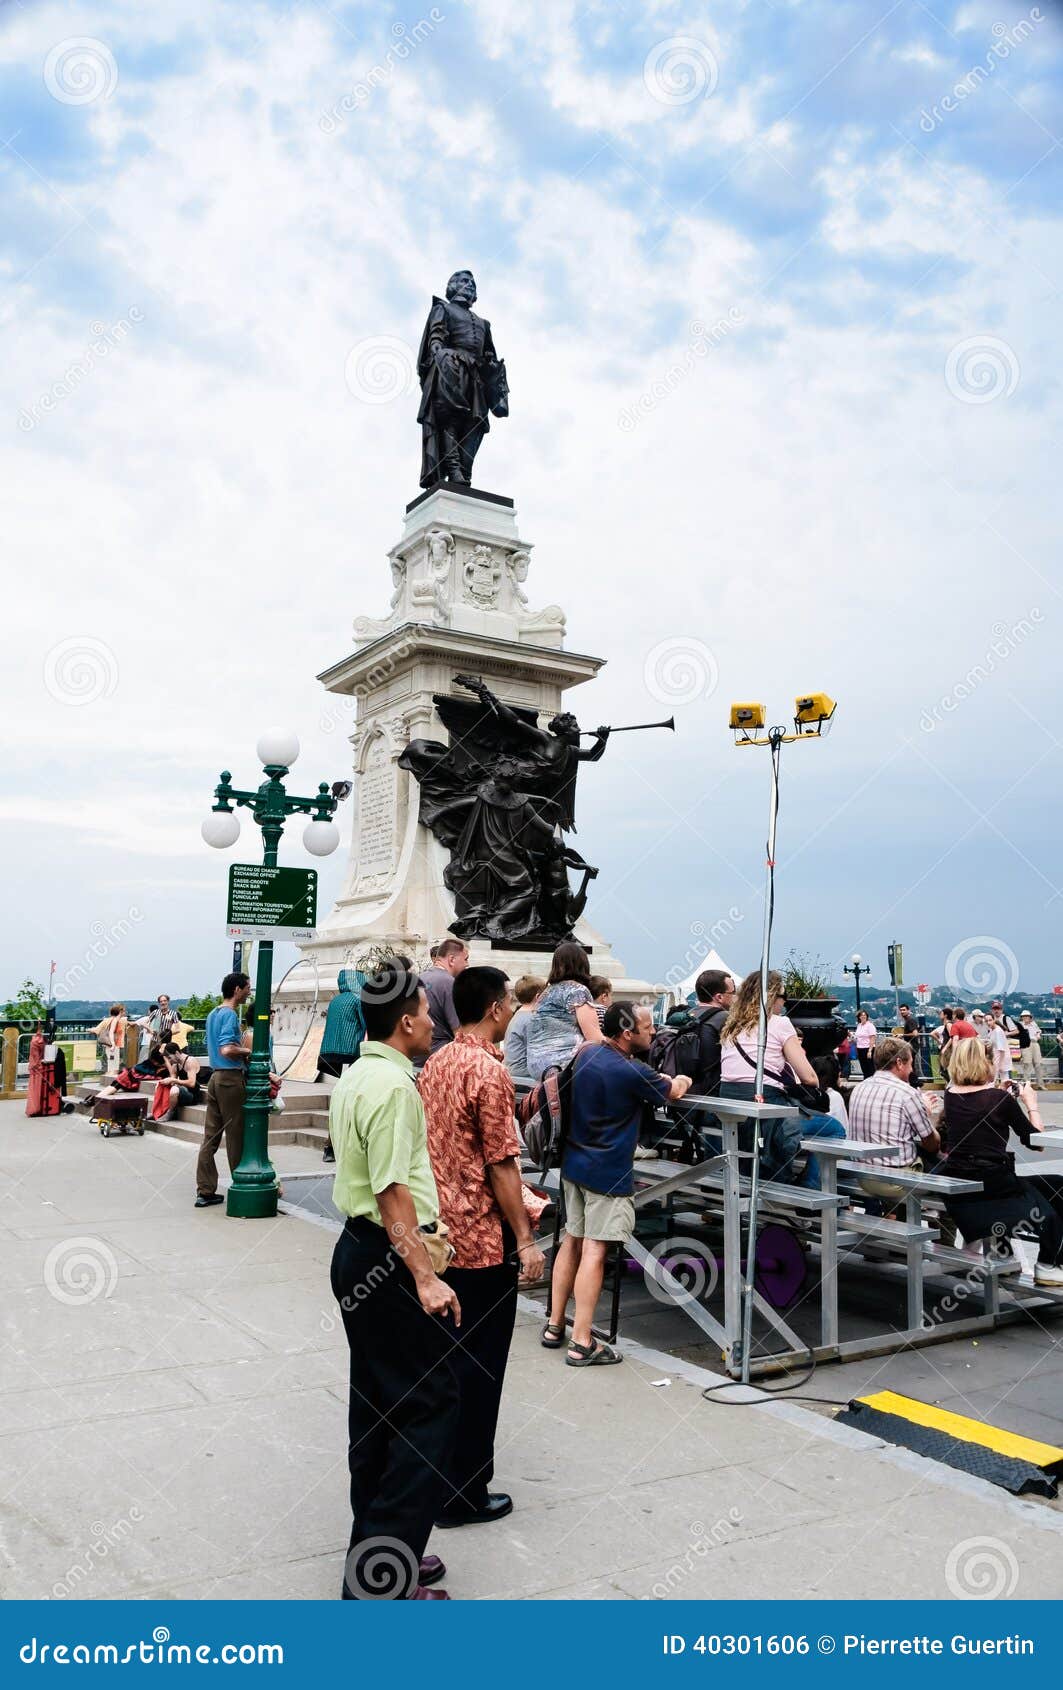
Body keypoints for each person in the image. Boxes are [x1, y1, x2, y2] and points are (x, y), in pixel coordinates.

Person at [328, 959, 461, 1601]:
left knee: (378, 1407)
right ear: (406, 1021)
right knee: (431, 1406)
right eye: (428, 1012)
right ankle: (385, 1580)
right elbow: (391, 1192)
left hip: (359, 1254)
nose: (435, 1020)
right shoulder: (396, 1088)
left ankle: (380, 1554)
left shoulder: (358, 1076)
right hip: (389, 1258)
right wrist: (425, 1278)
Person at [419, 967, 546, 1525]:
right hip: (481, 1240)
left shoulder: (437, 1063)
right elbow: (500, 1163)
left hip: (439, 1235)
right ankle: (464, 1490)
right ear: (497, 1008)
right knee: (481, 1370)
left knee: (444, 1366)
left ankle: (435, 1476)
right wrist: (525, 1239)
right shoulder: (488, 1070)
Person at [543, 1003, 689, 1366]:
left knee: (570, 1239)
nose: (653, 1032)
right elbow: (672, 1090)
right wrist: (684, 1079)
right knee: (595, 1249)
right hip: (607, 1171)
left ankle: (554, 1324)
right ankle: (582, 1341)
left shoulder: (587, 1053)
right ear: (627, 1033)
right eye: (647, 1026)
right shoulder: (631, 1071)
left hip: (574, 1163)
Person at [940, 1037, 1063, 1286]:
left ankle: (1003, 1254)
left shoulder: (950, 1095)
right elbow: (1035, 1141)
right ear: (984, 1063)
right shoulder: (999, 1099)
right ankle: (1048, 1264)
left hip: (964, 1181)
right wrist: (1031, 1103)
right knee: (1056, 1194)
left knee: (1050, 1185)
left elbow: (978, 1106)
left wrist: (1000, 1093)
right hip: (996, 1183)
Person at [718, 971, 846, 1185]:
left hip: (734, 1112)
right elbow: (809, 1077)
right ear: (771, 997)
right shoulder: (779, 1023)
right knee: (833, 1128)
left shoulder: (732, 1027)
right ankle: (810, 1189)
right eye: (783, 997)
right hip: (764, 1111)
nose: (785, 1003)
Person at [848, 1036, 942, 1207]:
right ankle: (942, 1232)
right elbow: (932, 1144)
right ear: (899, 1063)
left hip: (863, 1176)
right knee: (950, 1181)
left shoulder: (859, 1088)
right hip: (894, 1181)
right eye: (911, 1064)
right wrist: (925, 1111)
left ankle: (899, 1223)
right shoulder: (907, 1093)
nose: (911, 1070)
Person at [194, 972, 250, 1209]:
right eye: (247, 987)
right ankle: (241, 1185)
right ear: (237, 989)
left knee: (211, 1136)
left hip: (215, 1077)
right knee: (236, 1134)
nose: (249, 991)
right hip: (230, 1077)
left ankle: (205, 1190)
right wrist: (250, 1052)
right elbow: (227, 1049)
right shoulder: (229, 1015)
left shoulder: (213, 1013)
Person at [525, 941, 603, 1080]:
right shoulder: (578, 990)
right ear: (583, 964)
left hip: (538, 1067)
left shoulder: (545, 993)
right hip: (564, 1065)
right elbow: (595, 1038)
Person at [318, 968, 368, 1162]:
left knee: (342, 1095)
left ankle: (331, 1145)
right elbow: (366, 1024)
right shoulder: (357, 999)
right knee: (351, 1098)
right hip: (353, 1052)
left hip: (331, 1054)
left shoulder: (335, 1000)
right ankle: (333, 1144)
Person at [421, 938, 469, 1052]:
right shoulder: (449, 983)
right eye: (466, 959)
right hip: (440, 1058)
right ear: (452, 959)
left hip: (417, 1058)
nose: (467, 964)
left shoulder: (421, 978)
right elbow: (458, 1032)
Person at [502, 974, 545, 1077]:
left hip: (512, 1069)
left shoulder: (518, 1015)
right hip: (522, 1072)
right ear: (538, 997)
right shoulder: (531, 1019)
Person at [153, 1042, 202, 1123]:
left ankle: (170, 1113)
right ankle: (159, 1111)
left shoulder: (190, 1061)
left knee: (174, 1089)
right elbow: (172, 1081)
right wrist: (165, 1082)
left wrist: (173, 1080)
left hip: (192, 1095)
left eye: (169, 1057)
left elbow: (192, 1083)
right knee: (159, 1086)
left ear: (177, 1053)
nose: (169, 1060)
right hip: (182, 1091)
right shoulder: (175, 1065)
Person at [1018, 1011, 1045, 1087]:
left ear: (1030, 1017)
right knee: (1027, 1064)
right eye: (1024, 1016)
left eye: (1027, 1016)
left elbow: (1038, 1031)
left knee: (1038, 1063)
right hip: (1026, 1044)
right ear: (1022, 1017)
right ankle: (1027, 1085)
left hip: (1035, 1043)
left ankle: (1040, 1084)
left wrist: (1038, 1034)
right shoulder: (1020, 1025)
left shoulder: (1034, 1024)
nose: (1026, 1017)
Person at [897, 1003, 922, 1085]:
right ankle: (914, 1082)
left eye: (904, 1010)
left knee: (909, 1065)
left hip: (912, 1047)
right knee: (910, 1065)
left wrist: (903, 1035)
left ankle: (914, 1082)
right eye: (901, 1010)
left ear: (908, 1010)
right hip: (910, 1046)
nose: (902, 1012)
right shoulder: (908, 1020)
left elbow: (915, 1034)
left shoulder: (910, 1020)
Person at [854, 1009, 877, 1078]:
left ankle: (871, 1081)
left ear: (867, 1017)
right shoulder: (859, 1025)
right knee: (863, 1067)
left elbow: (872, 1038)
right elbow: (857, 1037)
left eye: (864, 1015)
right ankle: (866, 1079)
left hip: (867, 1048)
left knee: (870, 1067)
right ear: (859, 1017)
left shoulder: (870, 1025)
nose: (863, 1017)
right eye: (861, 1015)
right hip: (860, 1048)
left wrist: (870, 1050)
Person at [989, 1014, 1012, 1085]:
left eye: (990, 1020)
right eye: (986, 1021)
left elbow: (1001, 1049)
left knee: (1001, 1079)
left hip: (1001, 1057)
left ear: (994, 1020)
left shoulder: (998, 1031)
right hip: (996, 1057)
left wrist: (1001, 1063)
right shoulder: (992, 1030)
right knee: (1003, 1079)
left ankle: (1008, 1094)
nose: (988, 1022)